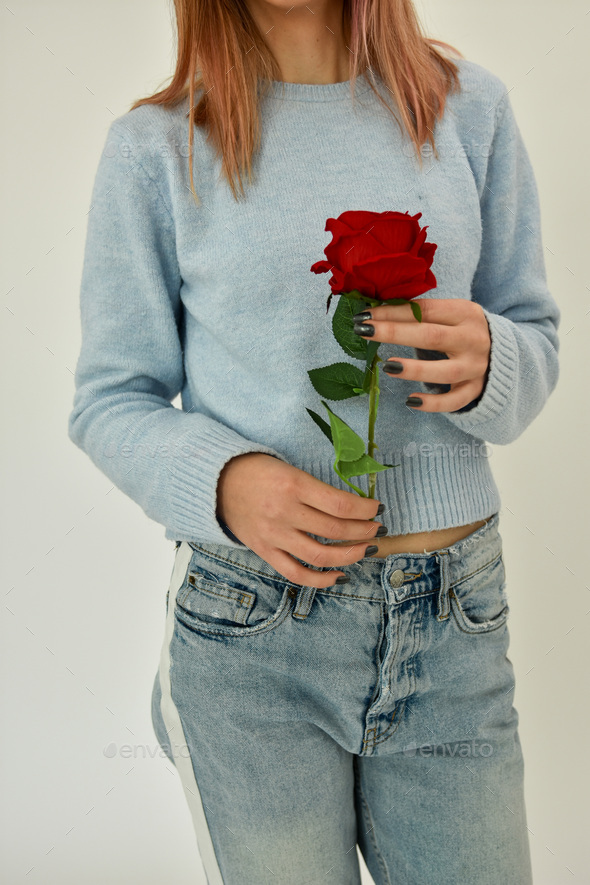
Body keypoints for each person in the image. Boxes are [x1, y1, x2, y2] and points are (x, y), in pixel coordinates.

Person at [68, 1, 560, 882]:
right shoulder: (158, 146)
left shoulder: (470, 109)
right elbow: (111, 399)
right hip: (255, 633)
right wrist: (225, 481)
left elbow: (536, 337)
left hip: (455, 625)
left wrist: (495, 358)